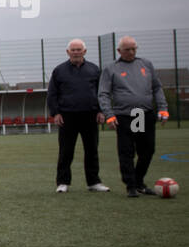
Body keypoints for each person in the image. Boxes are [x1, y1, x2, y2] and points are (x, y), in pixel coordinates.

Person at [98, 36, 170, 197]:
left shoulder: (146, 64)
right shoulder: (111, 69)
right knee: (127, 151)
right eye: (127, 49)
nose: (131, 52)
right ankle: (131, 185)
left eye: (133, 49)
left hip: (144, 114)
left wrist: (163, 108)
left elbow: (157, 88)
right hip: (125, 116)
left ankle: (139, 181)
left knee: (147, 150)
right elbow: (103, 94)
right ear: (119, 51)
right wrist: (109, 115)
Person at [46, 39, 108, 193]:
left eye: (79, 49)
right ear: (68, 52)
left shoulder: (94, 70)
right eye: (73, 50)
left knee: (92, 149)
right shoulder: (59, 70)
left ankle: (93, 182)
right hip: (67, 116)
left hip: (90, 115)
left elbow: (102, 93)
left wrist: (101, 111)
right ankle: (62, 182)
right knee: (66, 151)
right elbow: (52, 94)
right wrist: (56, 113)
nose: (76, 52)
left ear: (85, 51)